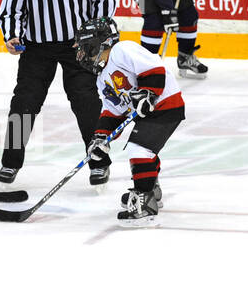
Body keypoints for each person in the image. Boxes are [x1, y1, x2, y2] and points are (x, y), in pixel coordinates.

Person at [0, 0, 116, 186]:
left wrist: (93, 31)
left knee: (86, 101)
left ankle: (99, 161)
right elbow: (12, 8)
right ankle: (10, 162)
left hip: (78, 46)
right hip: (37, 48)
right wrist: (12, 34)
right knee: (24, 103)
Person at [76, 17, 185, 227]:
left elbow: (154, 68)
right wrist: (101, 136)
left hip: (166, 106)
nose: (83, 53)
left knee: (139, 149)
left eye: (86, 47)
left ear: (101, 43)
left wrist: (149, 92)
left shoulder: (122, 51)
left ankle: (144, 202)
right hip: (151, 112)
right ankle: (151, 189)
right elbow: (113, 110)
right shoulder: (102, 78)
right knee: (143, 150)